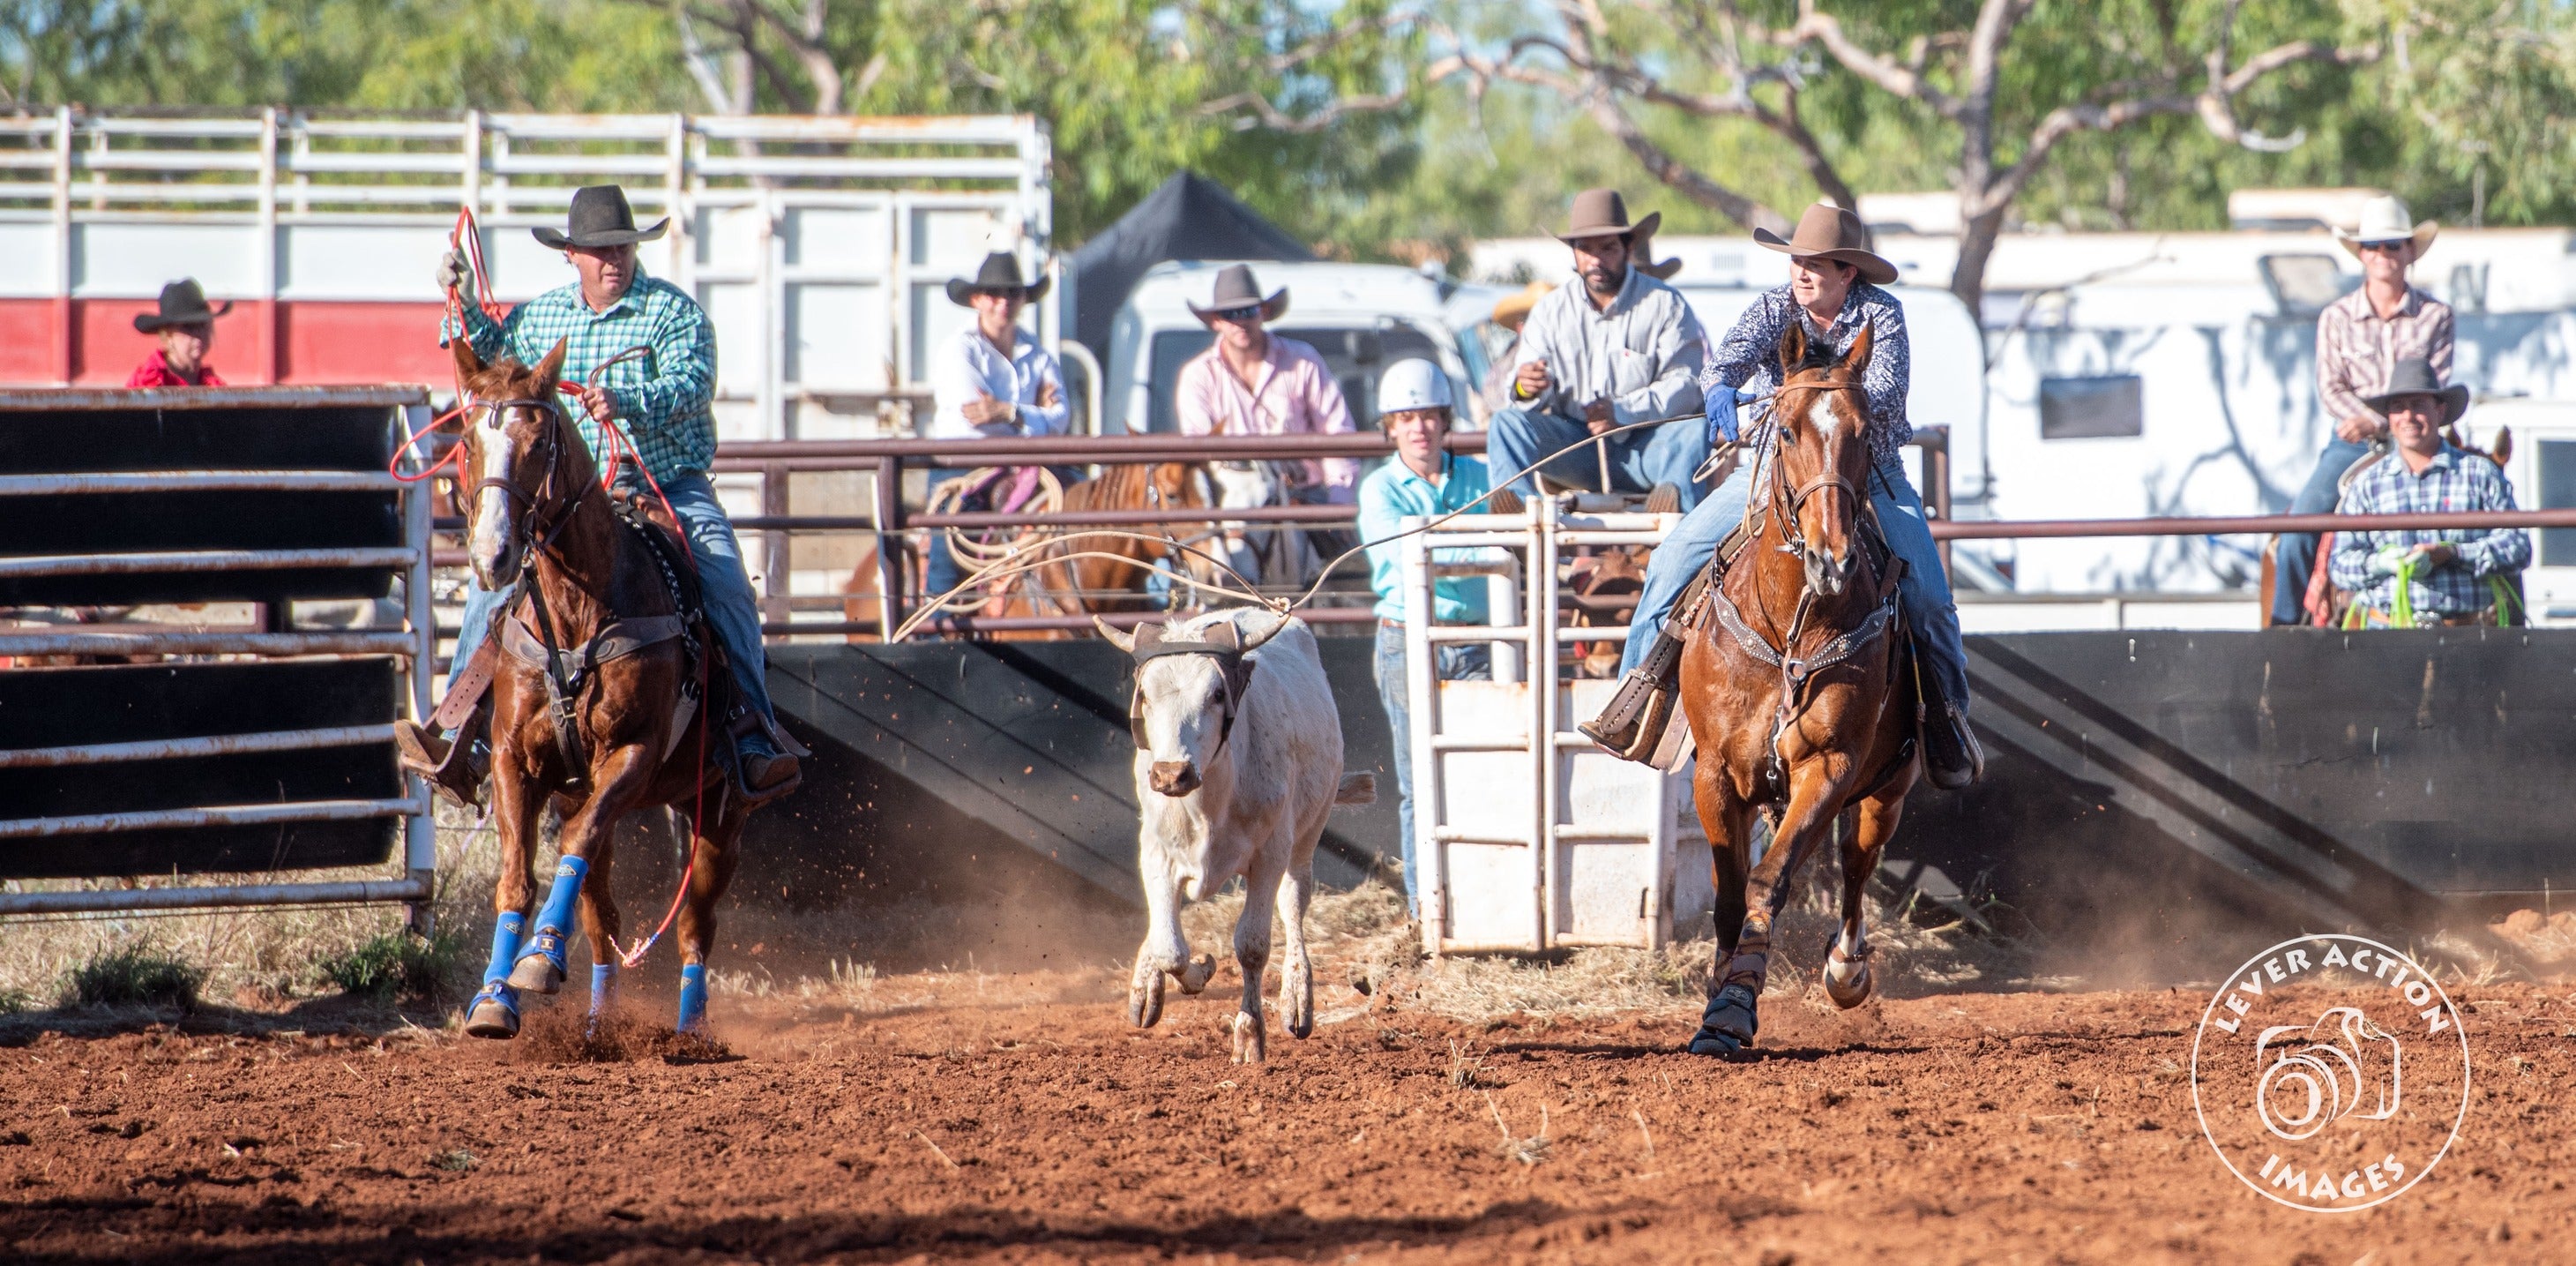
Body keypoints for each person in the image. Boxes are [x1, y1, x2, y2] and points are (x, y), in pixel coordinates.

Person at [399, 184, 798, 802]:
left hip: (664, 484)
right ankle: (463, 735)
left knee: (722, 576)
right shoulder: (545, 317)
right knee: (496, 577)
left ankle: (751, 730)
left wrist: (629, 400)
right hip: (570, 498)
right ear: (573, 256)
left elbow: (692, 385)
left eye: (621, 247)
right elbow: (489, 362)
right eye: (598, 249)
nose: (612, 259)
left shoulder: (673, 314)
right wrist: (458, 301)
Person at [1579, 202, 1982, 790]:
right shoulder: (1776, 308)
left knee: (1928, 596)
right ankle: (1637, 695)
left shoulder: (1882, 316)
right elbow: (1725, 362)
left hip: (1868, 471)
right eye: (1797, 260)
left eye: (1817, 264)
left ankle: (1946, 719)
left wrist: (1806, 395)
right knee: (1673, 558)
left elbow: (1883, 394)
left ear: (1849, 272)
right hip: (1776, 467)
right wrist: (1718, 388)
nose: (1802, 273)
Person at [1357, 359, 1515, 917]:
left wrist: (1461, 548)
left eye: (1427, 416)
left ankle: (1485, 902)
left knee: (1489, 768)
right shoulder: (1380, 489)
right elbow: (1400, 557)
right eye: (1407, 418)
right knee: (1418, 777)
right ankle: (1428, 908)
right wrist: (1487, 552)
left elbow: (1425, 550)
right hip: (1410, 637)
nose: (1419, 428)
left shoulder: (1480, 477)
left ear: (1444, 421)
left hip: (1477, 638)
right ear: (1392, 428)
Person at [2274, 194, 2453, 626]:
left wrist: (2376, 418)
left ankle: (2508, 620)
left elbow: (2439, 386)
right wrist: (2364, 425)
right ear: (2361, 254)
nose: (2383, 254)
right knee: (2301, 524)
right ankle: (2281, 631)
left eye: (2393, 245)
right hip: (2353, 448)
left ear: (2410, 251)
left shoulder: (2436, 315)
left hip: (2418, 442)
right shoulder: (2336, 317)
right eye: (2373, 245)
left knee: (2484, 510)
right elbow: (2330, 386)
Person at [1485, 189, 1706, 512]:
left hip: (1648, 445)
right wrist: (1525, 386)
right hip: (1575, 449)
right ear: (1573, 253)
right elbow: (1520, 389)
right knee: (1506, 425)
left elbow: (1686, 385)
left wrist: (1622, 412)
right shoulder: (1550, 311)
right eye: (1585, 249)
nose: (1596, 260)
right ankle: (1518, 521)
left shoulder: (1665, 304)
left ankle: (1671, 525)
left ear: (1628, 248)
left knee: (1693, 430)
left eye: (1607, 248)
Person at [2328, 359, 2527, 626]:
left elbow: (2518, 546)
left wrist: (2454, 554)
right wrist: (2381, 563)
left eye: (2418, 405)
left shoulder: (2480, 473)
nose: (2408, 417)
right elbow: (2340, 564)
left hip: (2464, 633)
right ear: (2389, 418)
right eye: (2398, 408)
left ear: (2440, 411)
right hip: (2386, 634)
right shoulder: (2367, 484)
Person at [922, 251, 1069, 598]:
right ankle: (937, 628)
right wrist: (1032, 416)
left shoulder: (1038, 353)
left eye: (1012, 294)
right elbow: (973, 419)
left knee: (1080, 504)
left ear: (1022, 301)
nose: (1003, 302)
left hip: (1030, 469)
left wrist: (1006, 412)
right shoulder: (960, 350)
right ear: (977, 300)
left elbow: (1062, 419)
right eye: (993, 294)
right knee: (951, 548)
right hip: (965, 468)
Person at [1173, 264, 1359, 504]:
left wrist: (1339, 501)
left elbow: (1337, 432)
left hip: (1302, 496)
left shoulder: (1304, 361)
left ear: (1263, 312)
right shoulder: (1198, 375)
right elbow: (1198, 452)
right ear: (1216, 321)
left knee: (1344, 540)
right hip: (1233, 500)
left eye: (1248, 311)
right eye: (1230, 314)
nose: (1240, 322)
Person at [125, 280, 230, 386]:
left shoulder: (213, 385)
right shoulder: (147, 381)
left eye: (202, 325)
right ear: (168, 335)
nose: (198, 333)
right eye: (188, 327)